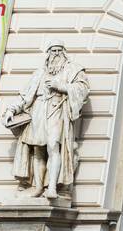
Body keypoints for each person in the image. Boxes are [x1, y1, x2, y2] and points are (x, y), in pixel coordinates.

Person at [5, 44, 89, 200]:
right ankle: (37, 187)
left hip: (56, 110)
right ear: (48, 53)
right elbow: (26, 96)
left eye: (59, 50)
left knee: (53, 145)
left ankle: (51, 187)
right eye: (52, 50)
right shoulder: (40, 73)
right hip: (38, 112)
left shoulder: (73, 70)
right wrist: (12, 110)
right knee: (37, 150)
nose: (56, 54)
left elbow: (83, 89)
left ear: (64, 52)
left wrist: (61, 86)